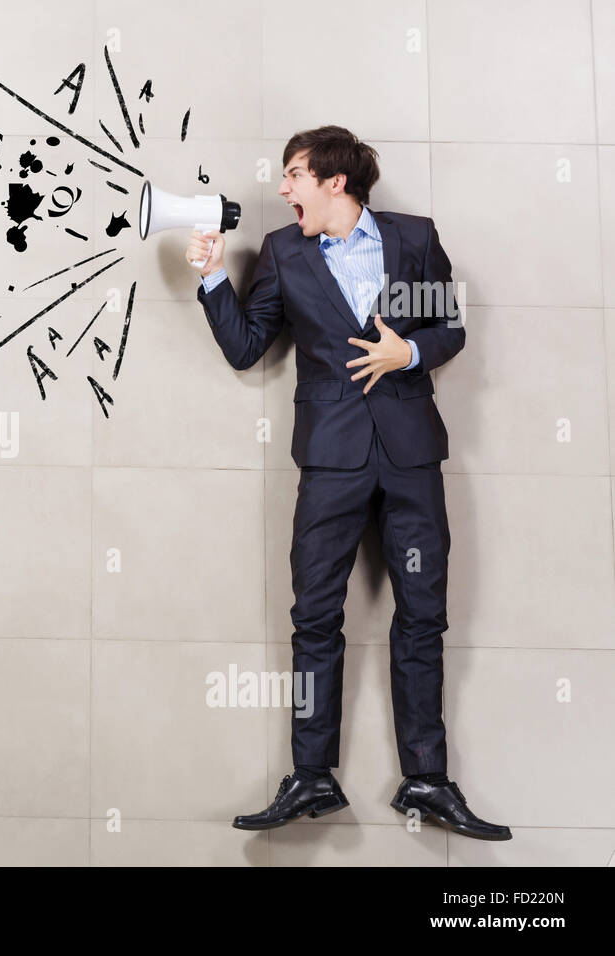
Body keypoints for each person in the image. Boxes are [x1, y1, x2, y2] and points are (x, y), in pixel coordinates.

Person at [192, 125, 510, 841]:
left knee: (423, 616)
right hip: (331, 461)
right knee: (314, 620)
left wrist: (410, 351)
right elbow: (248, 348)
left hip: (409, 456)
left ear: (336, 181)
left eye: (294, 175)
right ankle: (311, 777)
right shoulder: (283, 252)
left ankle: (427, 779)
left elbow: (450, 329)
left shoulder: (412, 239)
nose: (283, 189)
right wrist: (211, 277)